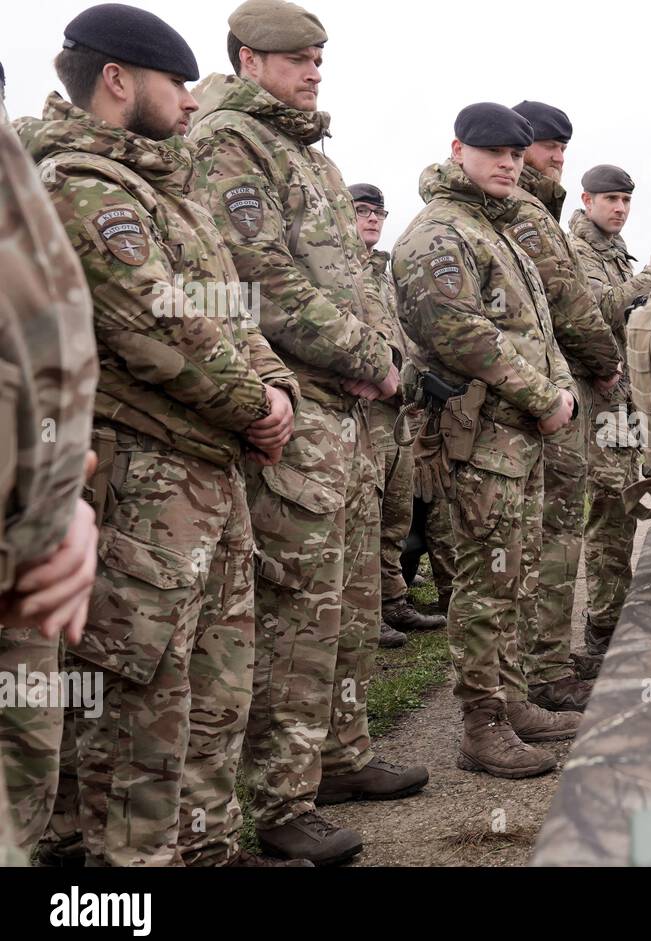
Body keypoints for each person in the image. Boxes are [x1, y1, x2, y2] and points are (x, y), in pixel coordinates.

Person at [22, 3, 304, 866]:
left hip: (207, 479)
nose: (190, 102)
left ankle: (210, 850)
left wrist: (277, 384)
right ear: (118, 80)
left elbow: (231, 310)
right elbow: (160, 326)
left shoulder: (162, 191)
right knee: (141, 711)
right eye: (176, 83)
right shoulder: (81, 186)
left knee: (215, 694)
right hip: (142, 488)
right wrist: (258, 407)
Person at [189, 0, 426, 865]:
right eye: (297, 56)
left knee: (352, 602)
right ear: (249, 60)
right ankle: (285, 802)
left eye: (321, 56)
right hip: (308, 409)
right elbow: (264, 281)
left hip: (351, 411)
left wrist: (383, 357)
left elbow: (351, 278)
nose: (315, 68)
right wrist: (370, 354)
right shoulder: (228, 143)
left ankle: (341, 754)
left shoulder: (307, 152)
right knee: (299, 612)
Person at [392, 102, 583, 779]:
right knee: (484, 583)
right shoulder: (440, 234)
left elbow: (536, 330)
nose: (507, 162)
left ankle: (513, 702)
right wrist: (543, 396)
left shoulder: (490, 229)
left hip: (515, 438)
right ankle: (482, 726)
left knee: (515, 578)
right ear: (457, 150)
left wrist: (560, 394)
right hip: (478, 441)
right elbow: (462, 336)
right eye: (492, 150)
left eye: (515, 152)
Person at [0, 58, 98, 868]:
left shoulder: (13, 173)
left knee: (30, 746)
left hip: (29, 538)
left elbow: (47, 347)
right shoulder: (72, 176)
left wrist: (59, 495)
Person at [507, 100, 623, 705]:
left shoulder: (528, 207)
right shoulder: (525, 211)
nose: (556, 157)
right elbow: (571, 302)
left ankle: (542, 663)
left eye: (562, 148)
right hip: (549, 391)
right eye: (549, 146)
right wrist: (604, 365)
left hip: (546, 385)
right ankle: (543, 671)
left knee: (550, 533)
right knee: (552, 534)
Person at [568, 164, 651, 658]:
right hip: (594, 405)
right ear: (587, 201)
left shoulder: (613, 254)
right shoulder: (578, 251)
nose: (620, 209)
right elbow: (603, 307)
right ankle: (603, 628)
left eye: (626, 201)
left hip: (621, 404)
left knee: (623, 508)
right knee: (609, 511)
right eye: (611, 199)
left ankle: (614, 613)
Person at [347, 182, 446, 650]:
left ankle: (394, 600)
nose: (371, 219)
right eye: (362, 210)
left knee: (395, 518)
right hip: (364, 412)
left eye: (378, 212)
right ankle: (364, 614)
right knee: (363, 518)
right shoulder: (339, 268)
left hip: (400, 412)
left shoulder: (386, 272)